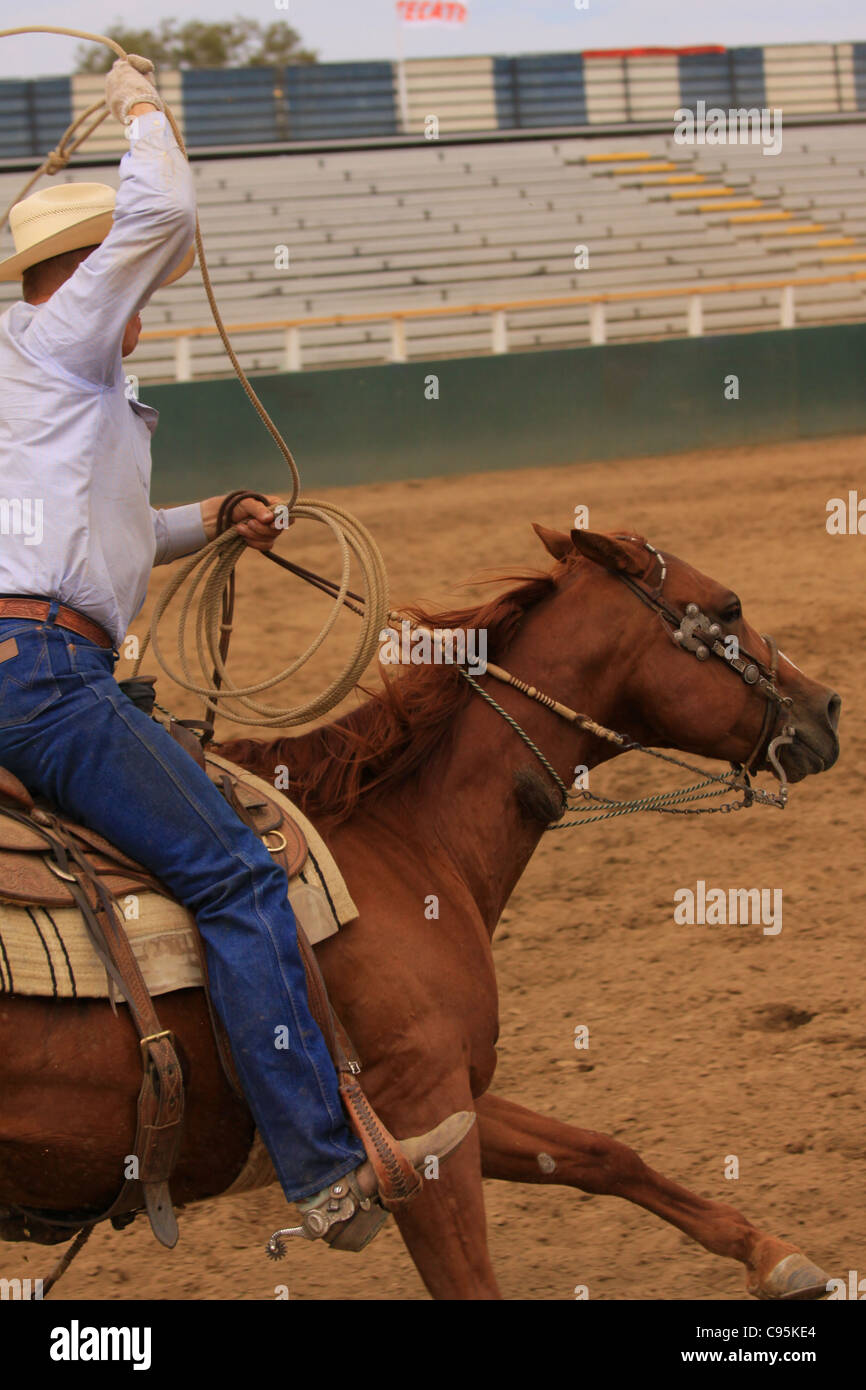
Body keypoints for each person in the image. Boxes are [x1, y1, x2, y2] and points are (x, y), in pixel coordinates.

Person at [0, 55, 470, 1244]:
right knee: (237, 878)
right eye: (110, 271)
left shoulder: (28, 383)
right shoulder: (63, 344)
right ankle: (317, 1162)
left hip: (22, 654)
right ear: (70, 277)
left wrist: (203, 522)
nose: (140, 294)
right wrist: (142, 103)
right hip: (48, 684)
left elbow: (74, 544)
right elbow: (164, 210)